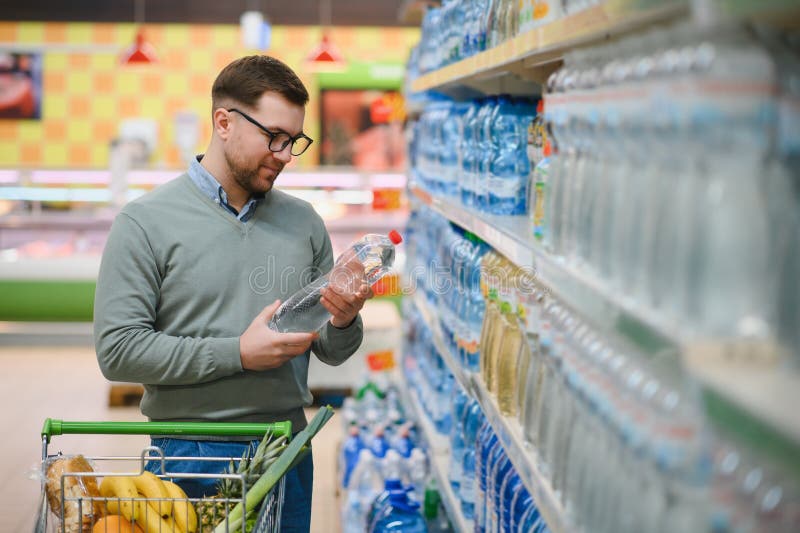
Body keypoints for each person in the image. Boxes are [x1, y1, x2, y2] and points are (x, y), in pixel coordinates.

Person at [94, 55, 370, 532]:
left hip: (284, 450)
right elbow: (118, 352)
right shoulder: (144, 223)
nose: (285, 154)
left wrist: (343, 319)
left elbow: (330, 349)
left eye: (295, 142)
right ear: (224, 122)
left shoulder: (304, 222)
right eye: (275, 138)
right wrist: (238, 353)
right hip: (186, 456)